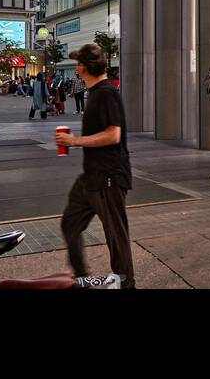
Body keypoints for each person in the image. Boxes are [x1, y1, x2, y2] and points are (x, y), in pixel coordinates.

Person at [56, 43, 134, 286]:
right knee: (70, 222)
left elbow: (114, 135)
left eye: (79, 63)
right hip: (92, 177)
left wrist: (74, 141)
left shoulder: (106, 93)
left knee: (116, 235)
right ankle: (80, 276)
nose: (77, 67)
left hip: (109, 177)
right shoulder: (96, 92)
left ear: (84, 67)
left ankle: (126, 283)